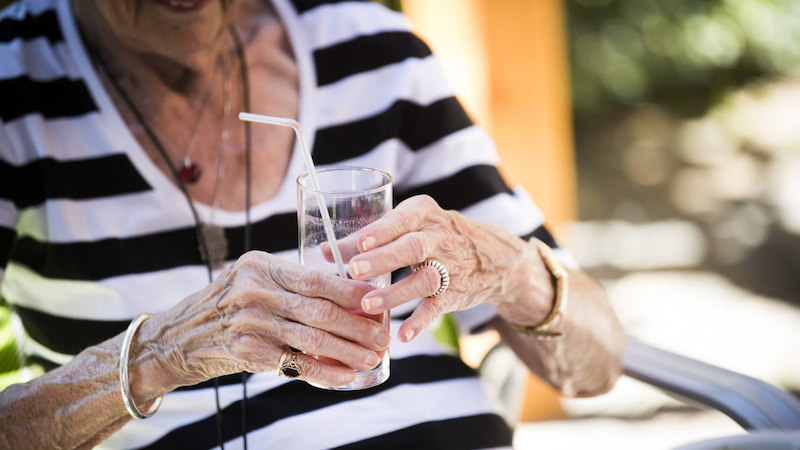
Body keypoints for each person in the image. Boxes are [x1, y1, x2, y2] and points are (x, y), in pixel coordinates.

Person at [0, 0, 625, 448]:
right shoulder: (15, 85)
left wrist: (510, 268)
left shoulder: (374, 51)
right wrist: (159, 354)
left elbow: (598, 364)